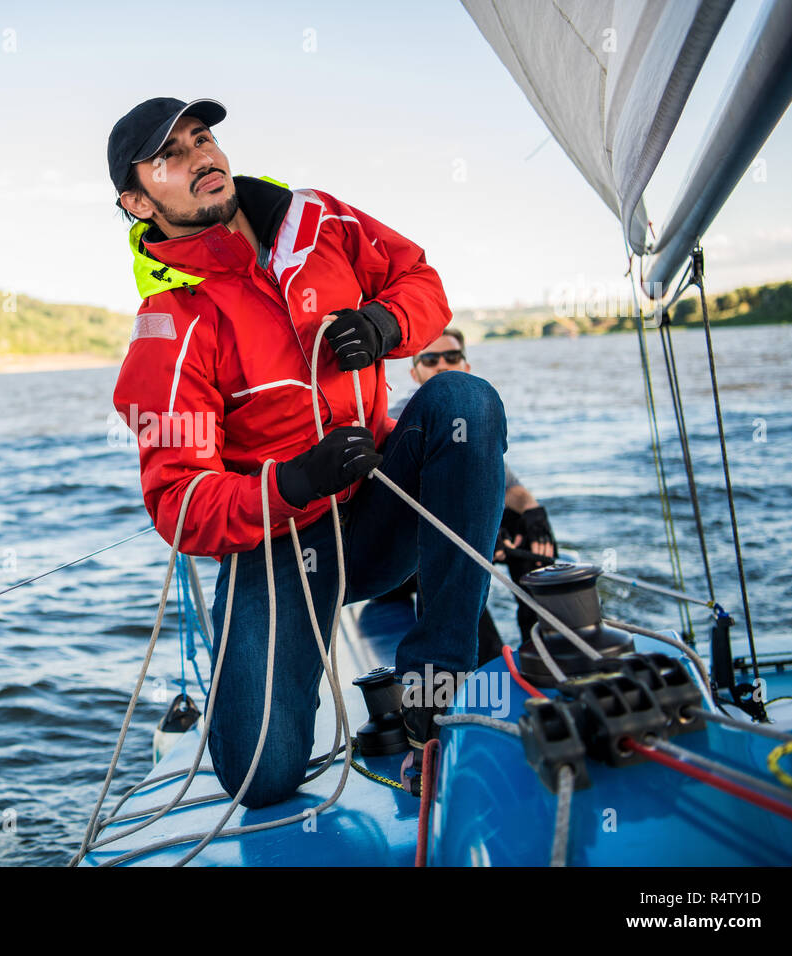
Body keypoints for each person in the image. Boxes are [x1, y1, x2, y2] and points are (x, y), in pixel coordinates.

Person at [108, 97, 508, 809]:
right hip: (281, 546)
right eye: (170, 155)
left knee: (464, 402)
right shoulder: (169, 326)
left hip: (385, 515)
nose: (201, 156)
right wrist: (292, 482)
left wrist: (384, 323)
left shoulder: (318, 220)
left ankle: (435, 689)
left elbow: (422, 281)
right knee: (262, 779)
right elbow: (180, 504)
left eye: (203, 137)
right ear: (138, 202)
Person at [382, 328, 556, 647]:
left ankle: (543, 645)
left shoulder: (473, 422)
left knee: (528, 527)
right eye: (430, 359)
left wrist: (534, 514)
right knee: (448, 550)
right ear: (415, 373)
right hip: (401, 560)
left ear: (466, 366)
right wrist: (481, 532)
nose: (442, 365)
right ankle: (484, 660)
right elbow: (407, 507)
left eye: (452, 357)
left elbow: (510, 489)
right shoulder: (397, 421)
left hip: (459, 535)